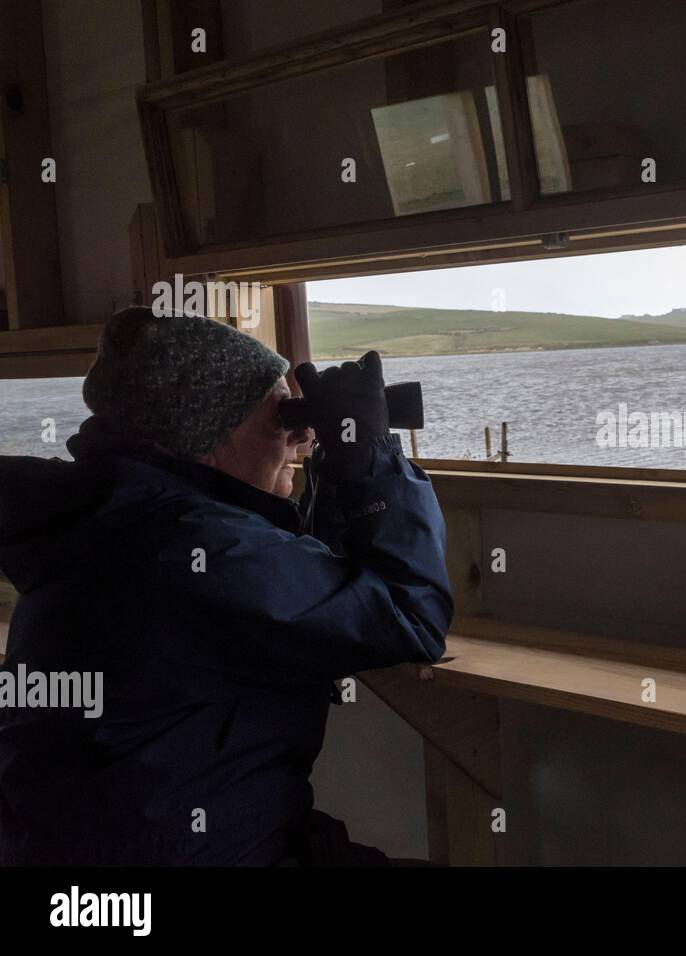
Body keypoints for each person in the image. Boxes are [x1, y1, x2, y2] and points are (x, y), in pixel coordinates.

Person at [0, 307, 454, 865]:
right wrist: (374, 456)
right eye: (280, 418)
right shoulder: (194, 544)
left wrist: (342, 465)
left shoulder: (101, 515)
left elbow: (304, 580)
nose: (301, 437)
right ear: (208, 433)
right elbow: (412, 616)